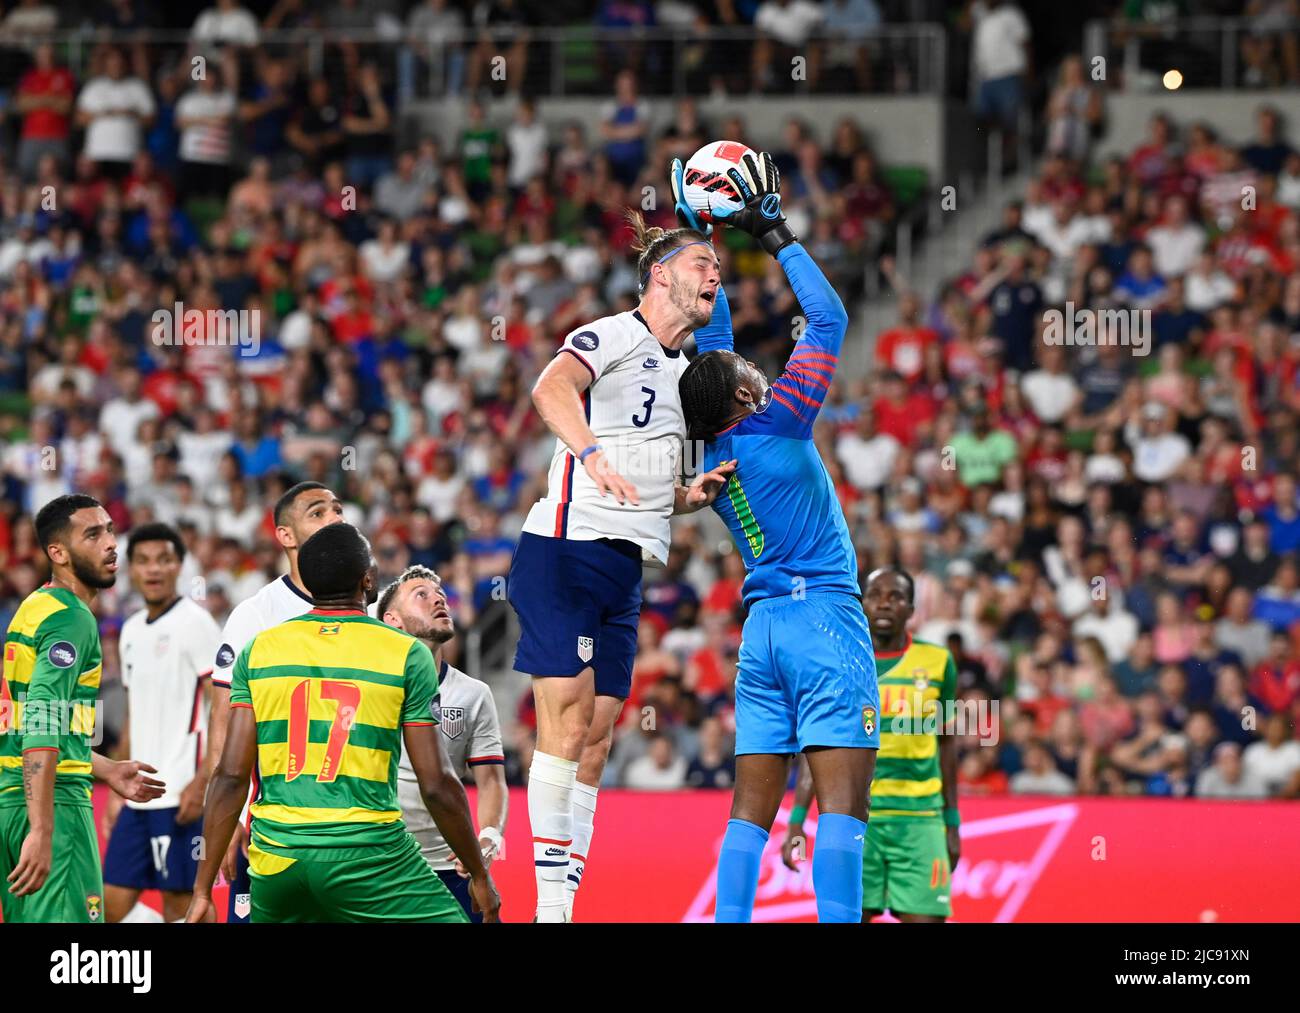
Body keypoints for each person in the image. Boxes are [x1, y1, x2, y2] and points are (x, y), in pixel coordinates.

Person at [507, 181, 734, 921]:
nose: (715, 276)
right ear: (660, 275)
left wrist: (687, 497)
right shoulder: (614, 333)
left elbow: (648, 482)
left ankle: (565, 901)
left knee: (599, 736)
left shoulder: (683, 372)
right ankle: (546, 908)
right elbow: (550, 388)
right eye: (704, 263)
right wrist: (590, 451)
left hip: (624, 565)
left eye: (720, 269)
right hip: (566, 547)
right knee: (566, 723)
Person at [676, 150, 878, 923]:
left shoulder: (715, 448)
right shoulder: (778, 419)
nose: (760, 371)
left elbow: (713, 339)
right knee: (843, 811)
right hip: (825, 620)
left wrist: (706, 241)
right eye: (748, 374)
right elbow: (829, 320)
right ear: (742, 393)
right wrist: (776, 233)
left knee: (747, 815)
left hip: (761, 633)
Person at [186, 524, 500, 923]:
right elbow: (436, 783)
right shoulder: (404, 653)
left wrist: (201, 890)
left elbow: (230, 776)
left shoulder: (259, 650)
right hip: (370, 858)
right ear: (368, 579)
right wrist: (477, 873)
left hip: (278, 860)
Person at [0, 494, 166, 923]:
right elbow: (41, 718)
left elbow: (24, 722)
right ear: (58, 552)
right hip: (54, 805)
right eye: (92, 534)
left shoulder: (34, 608)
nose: (111, 543)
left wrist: (107, 769)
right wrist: (43, 828)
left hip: (15, 802)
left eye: (110, 529)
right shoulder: (72, 619)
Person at [782, 567, 959, 922]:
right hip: (855, 818)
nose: (884, 604)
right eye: (876, 594)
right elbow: (817, 749)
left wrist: (952, 821)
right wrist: (797, 820)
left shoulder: (939, 663)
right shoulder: (837, 664)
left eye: (896, 597)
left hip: (921, 820)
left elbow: (947, 744)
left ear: (911, 609)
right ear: (862, 603)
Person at [206, 481, 346, 923]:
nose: (336, 519)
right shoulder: (255, 615)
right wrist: (226, 819)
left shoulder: (374, 607)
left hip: (359, 824)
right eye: (318, 512)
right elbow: (224, 721)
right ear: (285, 535)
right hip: (274, 826)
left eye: (338, 510)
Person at [102, 523, 222, 923]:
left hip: (182, 794)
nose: (153, 569)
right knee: (110, 902)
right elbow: (135, 711)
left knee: (181, 905)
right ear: (130, 569)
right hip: (140, 791)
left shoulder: (196, 623)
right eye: (143, 561)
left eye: (164, 560)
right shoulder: (131, 630)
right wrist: (118, 787)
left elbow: (221, 706)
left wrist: (203, 781)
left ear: (179, 566)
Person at [378, 565, 507, 923]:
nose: (438, 598)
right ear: (393, 620)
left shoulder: (473, 694)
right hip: (377, 865)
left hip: (451, 870)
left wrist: (489, 836)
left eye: (441, 594)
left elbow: (492, 780)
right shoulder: (369, 686)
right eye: (421, 595)